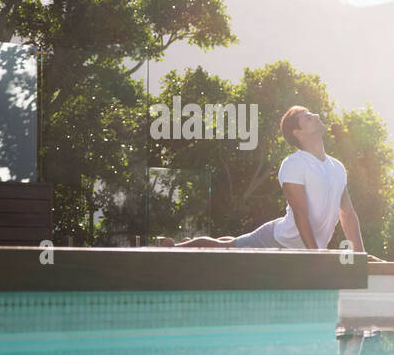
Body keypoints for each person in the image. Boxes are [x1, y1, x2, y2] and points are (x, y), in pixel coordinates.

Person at [156, 106, 372, 255]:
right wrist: (315, 255)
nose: (315, 115)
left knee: (233, 243)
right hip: (279, 239)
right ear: (297, 133)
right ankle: (175, 249)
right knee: (229, 248)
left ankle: (186, 244)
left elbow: (348, 214)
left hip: (298, 244)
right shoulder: (294, 164)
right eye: (307, 117)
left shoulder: (337, 168)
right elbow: (300, 214)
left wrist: (360, 256)